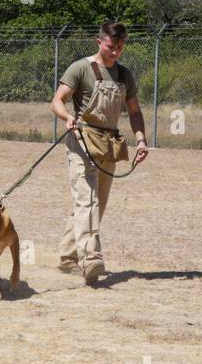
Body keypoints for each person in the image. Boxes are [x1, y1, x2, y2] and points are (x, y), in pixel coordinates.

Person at [49, 21, 149, 286]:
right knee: (87, 201)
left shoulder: (125, 76)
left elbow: (135, 111)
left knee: (97, 205)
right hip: (81, 142)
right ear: (99, 42)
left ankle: (68, 257)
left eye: (120, 47)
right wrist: (67, 117)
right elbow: (57, 100)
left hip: (109, 144)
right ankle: (91, 260)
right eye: (110, 46)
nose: (115, 52)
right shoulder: (81, 68)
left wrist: (141, 140)